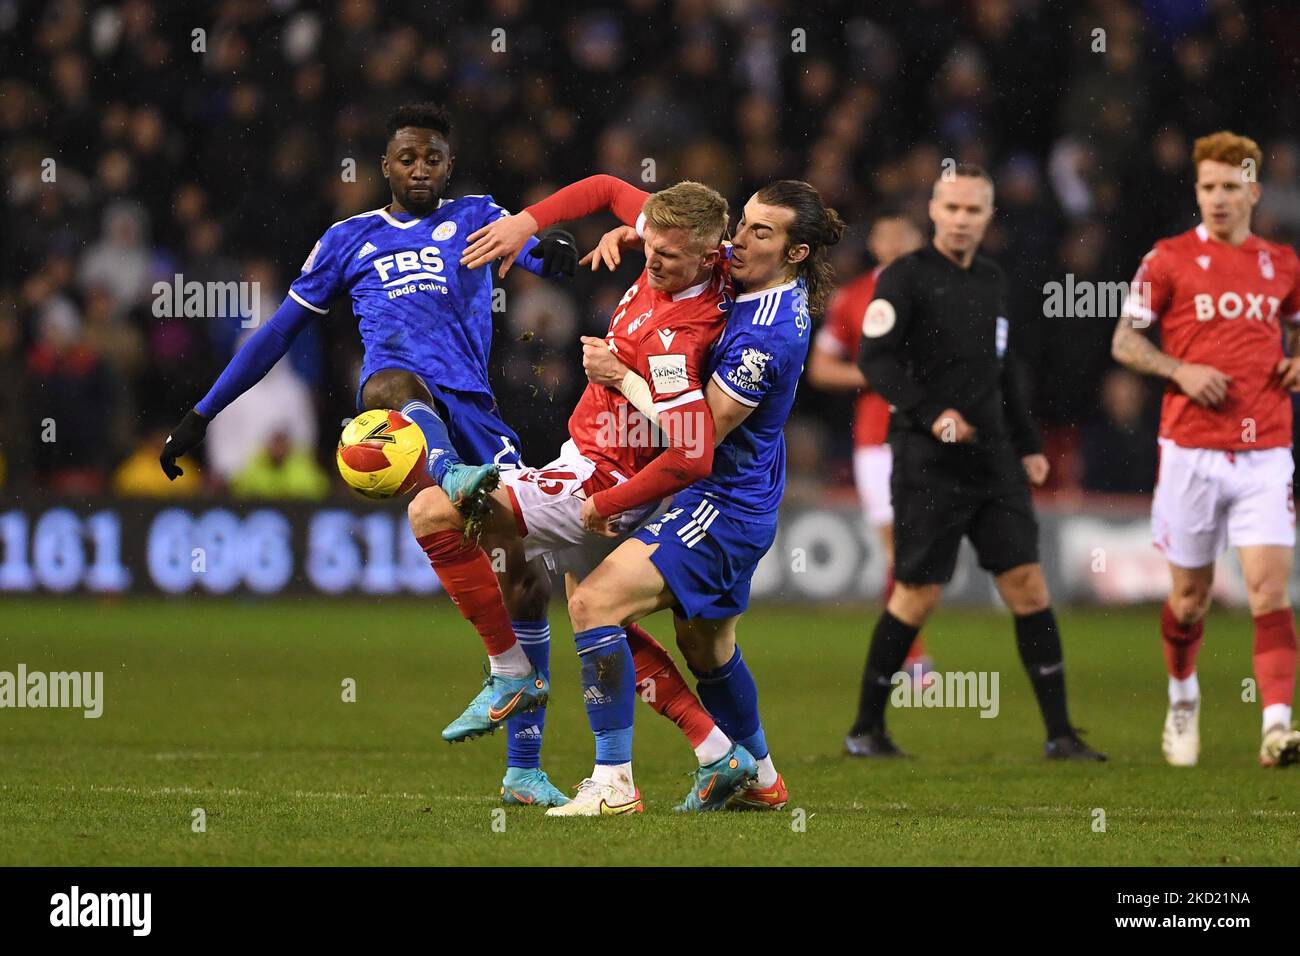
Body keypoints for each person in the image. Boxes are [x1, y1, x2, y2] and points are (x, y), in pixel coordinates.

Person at [157, 102, 580, 806]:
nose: (420, 169)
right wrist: (202, 413)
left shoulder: (478, 216)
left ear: (449, 166)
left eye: (433, 158)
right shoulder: (348, 240)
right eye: (407, 158)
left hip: (475, 411)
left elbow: (537, 249)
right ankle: (446, 471)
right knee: (385, 385)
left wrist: (555, 251)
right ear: (384, 166)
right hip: (401, 406)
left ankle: (524, 771)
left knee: (527, 582)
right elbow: (277, 334)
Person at [416, 175, 749, 813]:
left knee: (433, 511)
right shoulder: (682, 246)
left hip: (604, 480)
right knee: (597, 618)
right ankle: (712, 752)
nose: (651, 259)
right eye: (649, 243)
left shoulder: (680, 337)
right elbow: (602, 186)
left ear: (709, 257)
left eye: (669, 257)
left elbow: (691, 450)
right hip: (585, 461)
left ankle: (512, 674)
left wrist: (620, 380)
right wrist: (525, 223)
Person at [558, 180, 844, 815]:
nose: (738, 240)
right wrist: (639, 237)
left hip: (721, 502)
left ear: (795, 253)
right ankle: (761, 780)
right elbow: (621, 196)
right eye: (741, 223)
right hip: (741, 494)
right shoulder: (747, 273)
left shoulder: (765, 337)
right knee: (706, 649)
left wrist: (621, 377)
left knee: (594, 603)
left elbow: (698, 437)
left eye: (760, 233)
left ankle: (613, 786)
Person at [847, 164, 1105, 761]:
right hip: (925, 460)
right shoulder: (905, 279)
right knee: (917, 593)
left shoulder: (993, 280)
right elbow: (875, 360)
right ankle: (865, 728)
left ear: (988, 217)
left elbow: (1004, 371)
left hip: (993, 461)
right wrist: (931, 411)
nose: (962, 219)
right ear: (933, 211)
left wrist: (1030, 444)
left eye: (974, 211)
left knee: (1028, 585)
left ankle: (1060, 734)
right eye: (952, 208)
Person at [1111, 130, 1300, 768]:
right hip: (1190, 449)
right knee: (1190, 599)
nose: (1217, 199)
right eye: (1207, 188)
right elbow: (1126, 341)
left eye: (1229, 186)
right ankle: (1183, 696)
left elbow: (1298, 331)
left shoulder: (1283, 263)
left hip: (1266, 451)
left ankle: (1277, 727)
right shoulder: (1166, 258)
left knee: (1269, 592)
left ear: (1253, 189)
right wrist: (1180, 370)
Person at [806, 213, 935, 704]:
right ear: (876, 242)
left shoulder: (944, 292)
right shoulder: (854, 297)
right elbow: (820, 367)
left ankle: (905, 654)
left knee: (920, 547)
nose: (896, 241)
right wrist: (876, 375)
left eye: (905, 233)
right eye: (887, 233)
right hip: (878, 440)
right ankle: (912, 657)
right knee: (898, 550)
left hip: (934, 435)